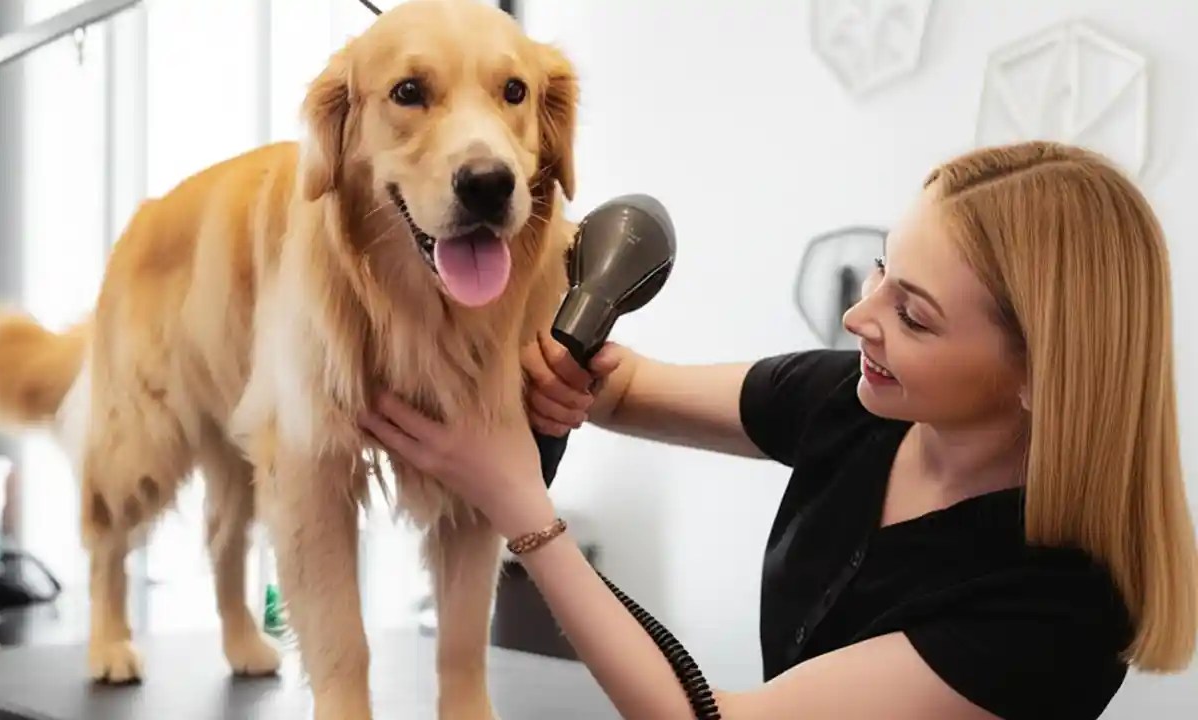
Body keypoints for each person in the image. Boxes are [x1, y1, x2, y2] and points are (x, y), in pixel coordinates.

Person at [359, 140, 1198, 719]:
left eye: (913, 313)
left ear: (1037, 374)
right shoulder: (860, 404)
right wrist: (554, 347)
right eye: (881, 269)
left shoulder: (1058, 611)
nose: (856, 315)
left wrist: (521, 509)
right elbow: (627, 389)